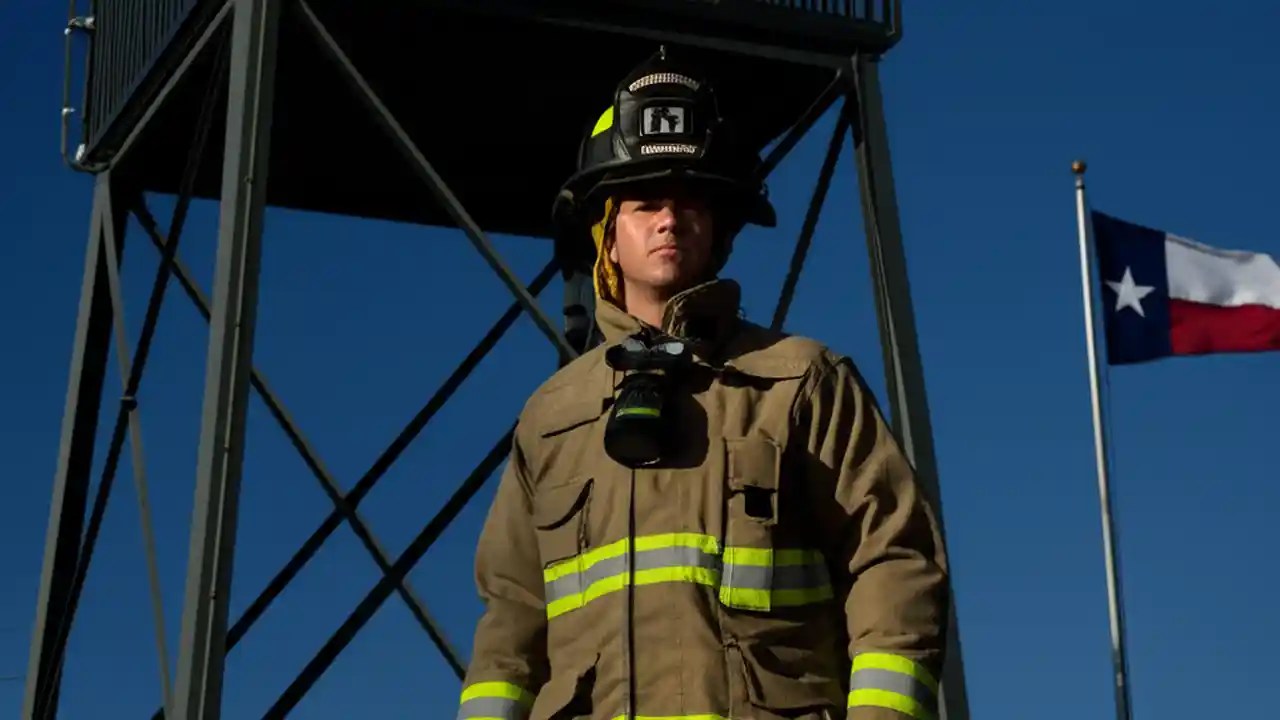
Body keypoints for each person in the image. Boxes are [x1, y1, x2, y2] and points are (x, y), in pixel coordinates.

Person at [455, 48, 951, 720]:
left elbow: (894, 562)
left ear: (720, 224)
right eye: (646, 203)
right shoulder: (551, 418)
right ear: (607, 233)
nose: (670, 220)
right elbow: (509, 629)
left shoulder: (801, 383)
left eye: (691, 201)